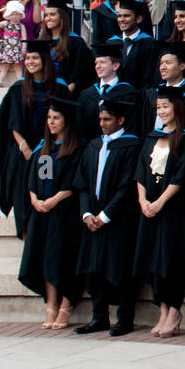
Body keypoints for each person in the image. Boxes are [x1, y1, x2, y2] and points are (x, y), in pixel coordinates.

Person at [132, 85, 185, 337]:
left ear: (177, 107)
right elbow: (141, 171)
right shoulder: (153, 136)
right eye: (158, 107)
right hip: (150, 209)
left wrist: (161, 202)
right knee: (154, 261)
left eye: (165, 106)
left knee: (172, 261)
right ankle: (162, 310)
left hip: (174, 211)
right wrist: (143, 200)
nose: (161, 111)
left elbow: (182, 176)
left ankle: (174, 311)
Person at [73, 92, 143, 336]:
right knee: (94, 270)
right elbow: (82, 183)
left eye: (107, 119)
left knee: (119, 269)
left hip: (118, 221)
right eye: (100, 119)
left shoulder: (131, 146)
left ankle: (124, 319)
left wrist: (104, 216)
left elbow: (127, 186)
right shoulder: (93, 146)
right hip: (92, 219)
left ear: (120, 120)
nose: (102, 124)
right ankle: (99, 317)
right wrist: (86, 214)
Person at [19, 95, 84, 330]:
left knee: (64, 259)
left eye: (56, 117)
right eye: (49, 117)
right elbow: (40, 180)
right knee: (46, 258)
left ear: (66, 120)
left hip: (65, 213)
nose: (51, 122)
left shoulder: (76, 150)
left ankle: (67, 304)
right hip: (44, 213)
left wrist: (54, 200)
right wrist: (36, 198)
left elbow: (74, 183)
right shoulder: (46, 150)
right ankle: (51, 305)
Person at [0, 41, 66, 238]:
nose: (30, 62)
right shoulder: (18, 89)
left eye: (35, 58)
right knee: (23, 196)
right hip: (24, 156)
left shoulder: (58, 88)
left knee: (44, 191)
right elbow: (11, 122)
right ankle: (27, 240)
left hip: (47, 155)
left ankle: (41, 240)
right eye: (27, 58)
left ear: (45, 60)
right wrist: (24, 146)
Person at [0, 0, 26, 87]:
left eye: (17, 14)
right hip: (7, 48)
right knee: (5, 66)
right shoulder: (5, 23)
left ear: (20, 15)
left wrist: (23, 48)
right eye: (12, 14)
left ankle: (22, 83)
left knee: (17, 67)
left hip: (16, 49)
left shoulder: (21, 26)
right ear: (8, 15)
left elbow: (24, 38)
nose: (14, 16)